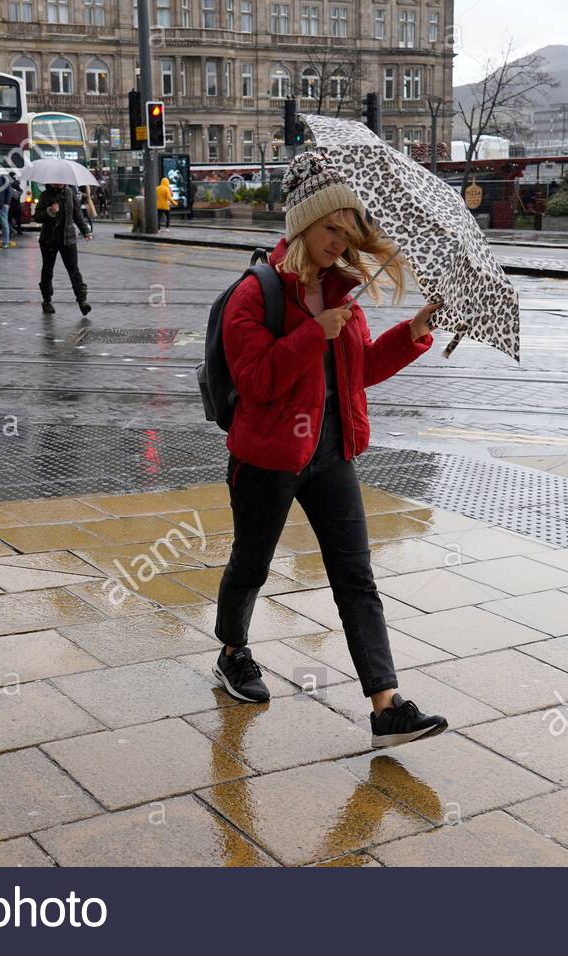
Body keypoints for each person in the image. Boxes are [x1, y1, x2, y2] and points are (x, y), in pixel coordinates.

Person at [212, 152, 447, 748]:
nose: (339, 240)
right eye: (330, 228)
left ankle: (385, 706)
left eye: (348, 229)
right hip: (268, 456)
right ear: (303, 225)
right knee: (252, 563)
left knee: (355, 575)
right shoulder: (256, 293)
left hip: (331, 454)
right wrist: (312, 333)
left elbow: (359, 370)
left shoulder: (344, 289)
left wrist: (413, 332)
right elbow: (257, 378)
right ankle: (233, 651)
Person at [33, 180, 92, 315]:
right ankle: (47, 301)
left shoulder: (70, 193)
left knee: (74, 270)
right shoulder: (45, 196)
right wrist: (49, 211)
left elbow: (77, 215)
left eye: (62, 181)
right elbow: (37, 217)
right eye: (56, 181)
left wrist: (85, 231)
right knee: (47, 271)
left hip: (68, 239)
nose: (60, 183)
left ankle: (82, 301)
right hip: (49, 240)